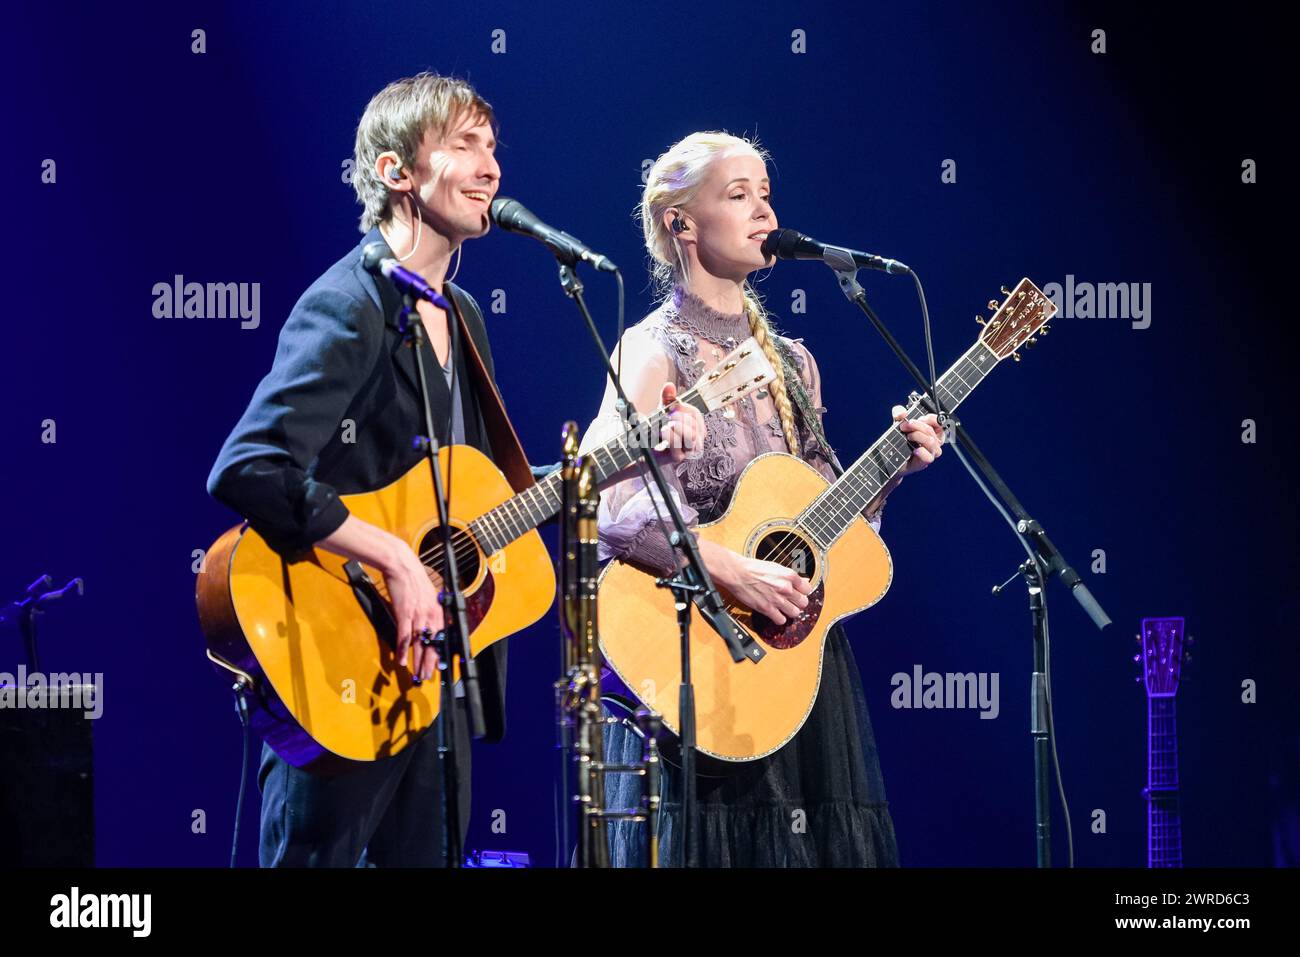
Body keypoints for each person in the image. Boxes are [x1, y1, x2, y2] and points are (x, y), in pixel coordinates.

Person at [584, 131, 946, 867]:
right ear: (681, 223)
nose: (764, 212)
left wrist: (892, 469)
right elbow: (606, 514)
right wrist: (730, 568)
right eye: (738, 194)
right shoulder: (651, 350)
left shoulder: (794, 363)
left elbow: (821, 520)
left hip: (790, 661)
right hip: (697, 658)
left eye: (766, 194)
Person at [206, 72, 515, 867]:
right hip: (341, 654)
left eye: (492, 147)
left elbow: (483, 491)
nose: (490, 167)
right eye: (464, 146)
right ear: (395, 171)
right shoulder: (351, 303)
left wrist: (631, 453)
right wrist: (394, 560)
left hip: (437, 675)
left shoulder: (463, 315)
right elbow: (249, 465)